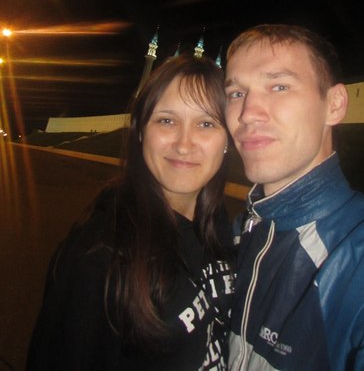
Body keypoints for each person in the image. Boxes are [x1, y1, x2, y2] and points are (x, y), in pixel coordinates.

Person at [224, 23, 364, 370]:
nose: (247, 113)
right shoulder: (241, 234)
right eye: (236, 93)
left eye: (279, 86)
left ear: (334, 104)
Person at [26, 52, 235, 370]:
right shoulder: (100, 257)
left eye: (206, 123)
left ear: (227, 140)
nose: (184, 143)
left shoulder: (218, 223)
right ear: (140, 131)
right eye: (167, 121)